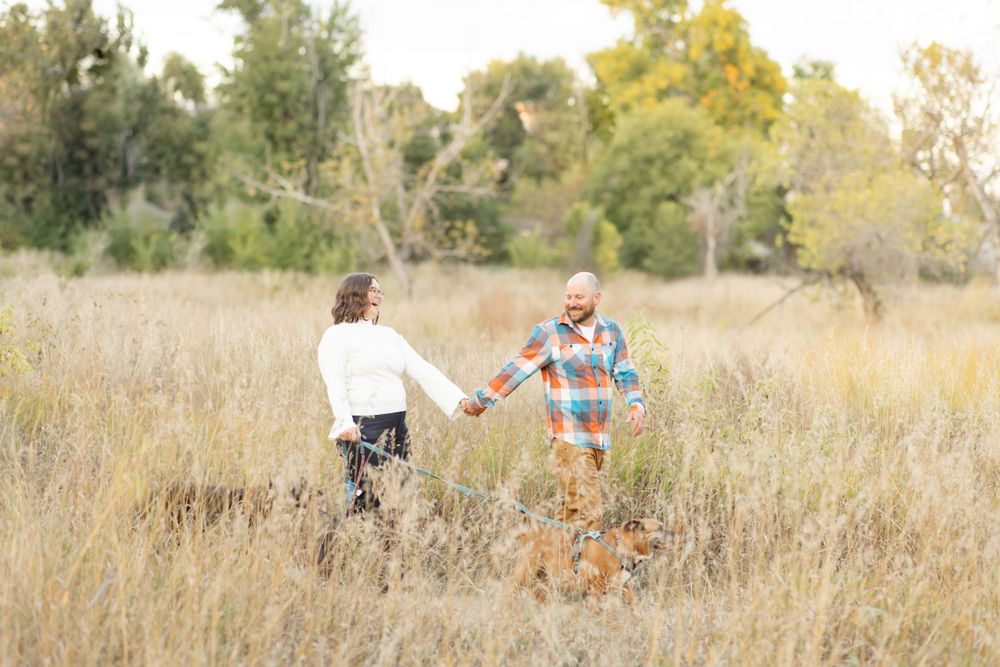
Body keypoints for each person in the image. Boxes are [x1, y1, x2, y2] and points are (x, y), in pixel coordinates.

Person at [463, 272, 646, 530]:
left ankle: (544, 553)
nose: (572, 303)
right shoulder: (550, 333)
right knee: (589, 513)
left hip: (600, 439)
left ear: (596, 298)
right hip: (568, 439)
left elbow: (625, 373)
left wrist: (636, 406)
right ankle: (580, 558)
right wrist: (481, 401)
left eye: (579, 297)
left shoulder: (611, 330)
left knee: (572, 514)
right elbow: (516, 370)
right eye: (568, 296)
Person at [318, 272, 472, 515]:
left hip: (398, 426)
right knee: (368, 497)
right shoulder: (337, 335)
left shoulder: (388, 335)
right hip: (363, 428)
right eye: (373, 290)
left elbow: (422, 369)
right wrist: (344, 423)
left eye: (380, 291)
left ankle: (393, 537)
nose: (380, 296)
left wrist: (459, 399)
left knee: (401, 489)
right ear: (355, 294)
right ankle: (355, 535)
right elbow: (334, 383)